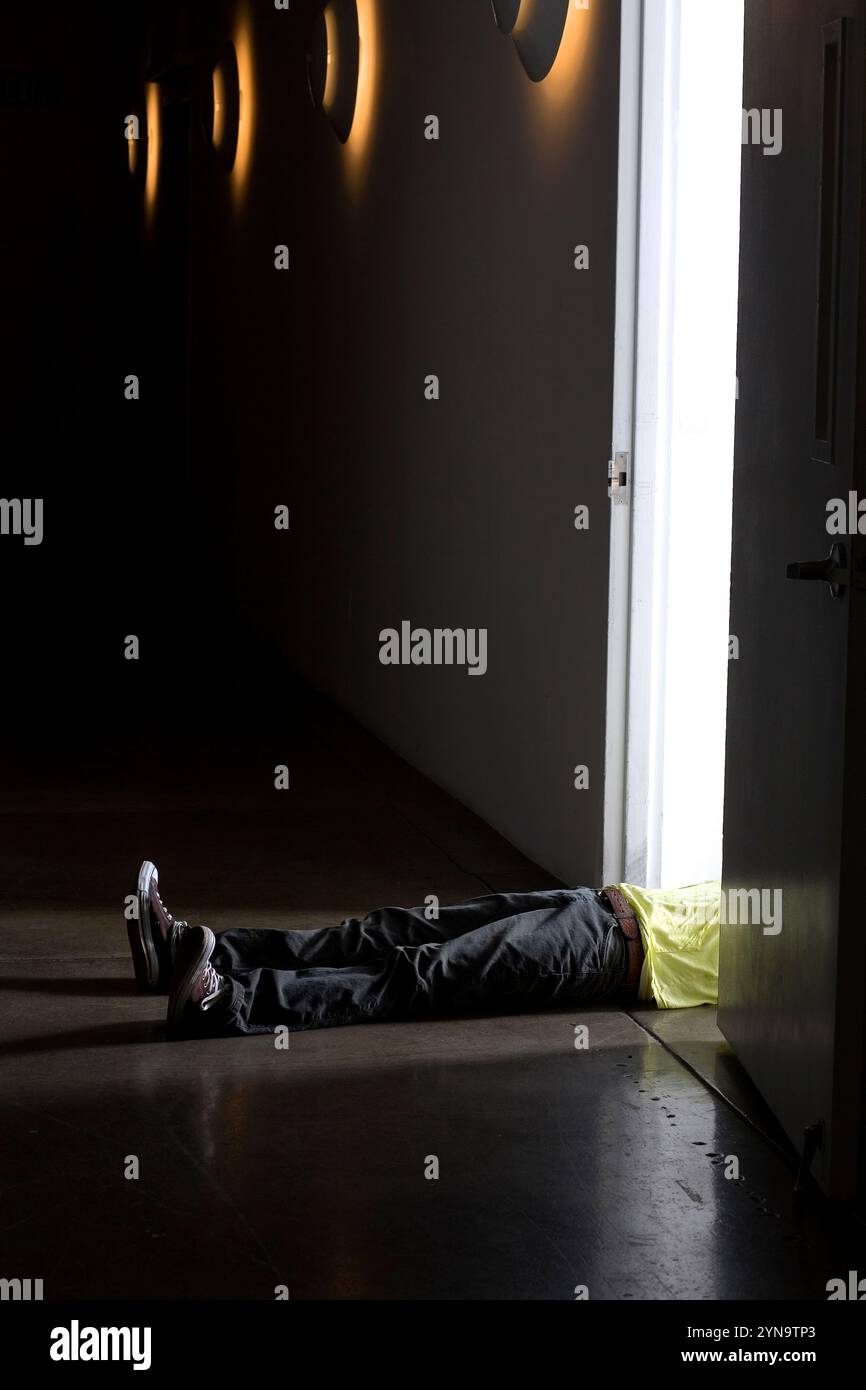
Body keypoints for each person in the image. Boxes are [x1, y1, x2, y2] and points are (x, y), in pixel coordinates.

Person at [126, 861, 721, 1039]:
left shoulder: (806, 946)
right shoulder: (784, 861)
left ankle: (225, 1004)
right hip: (600, 903)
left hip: (612, 955)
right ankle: (193, 952)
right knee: (387, 930)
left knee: (419, 974)